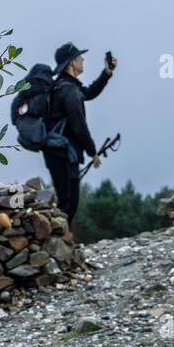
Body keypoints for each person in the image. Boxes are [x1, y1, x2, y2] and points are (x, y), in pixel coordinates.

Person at [43, 42, 116, 223]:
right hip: (63, 153)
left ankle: (61, 245)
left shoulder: (66, 86)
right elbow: (79, 126)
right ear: (71, 63)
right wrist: (93, 152)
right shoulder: (67, 90)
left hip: (58, 152)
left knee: (66, 202)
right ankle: (59, 246)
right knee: (68, 204)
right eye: (79, 57)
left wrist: (106, 73)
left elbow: (89, 93)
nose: (82, 59)